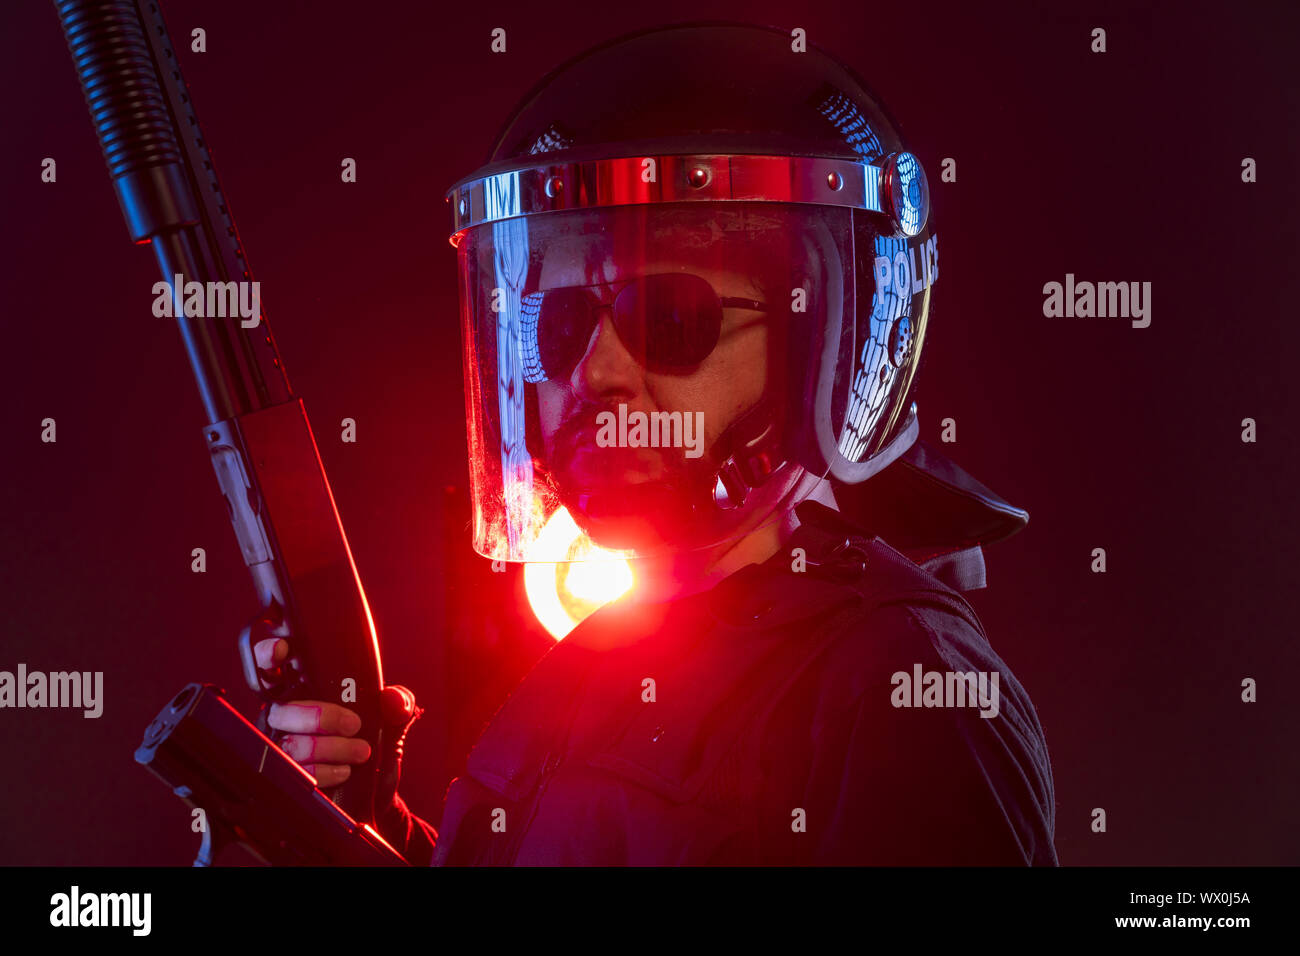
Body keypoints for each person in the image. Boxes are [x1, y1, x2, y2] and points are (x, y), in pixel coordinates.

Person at [253, 22, 1058, 865]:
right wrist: (364, 827)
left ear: (822, 342)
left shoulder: (899, 685)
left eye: (669, 318)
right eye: (562, 323)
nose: (594, 373)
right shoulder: (600, 656)